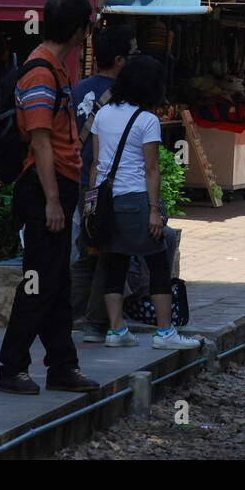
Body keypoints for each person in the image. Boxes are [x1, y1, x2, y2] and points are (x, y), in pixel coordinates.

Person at [0, 0, 101, 395]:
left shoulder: (54, 68)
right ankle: (11, 368)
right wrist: (54, 200)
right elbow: (40, 141)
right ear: (79, 29)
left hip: (55, 187)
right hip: (45, 190)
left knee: (55, 282)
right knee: (39, 281)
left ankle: (62, 365)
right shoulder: (41, 71)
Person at [87, 55, 201, 350]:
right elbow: (151, 169)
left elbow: (96, 163)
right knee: (158, 262)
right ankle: (165, 332)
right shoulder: (147, 120)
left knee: (115, 262)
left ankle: (115, 331)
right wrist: (153, 210)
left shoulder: (103, 114)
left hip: (106, 202)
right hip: (136, 200)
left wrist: (92, 204)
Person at [71, 24, 138, 343]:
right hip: (111, 188)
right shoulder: (127, 99)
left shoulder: (78, 89)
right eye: (134, 53)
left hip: (83, 183)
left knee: (87, 251)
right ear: (120, 60)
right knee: (109, 253)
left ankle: (65, 315)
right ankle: (96, 324)